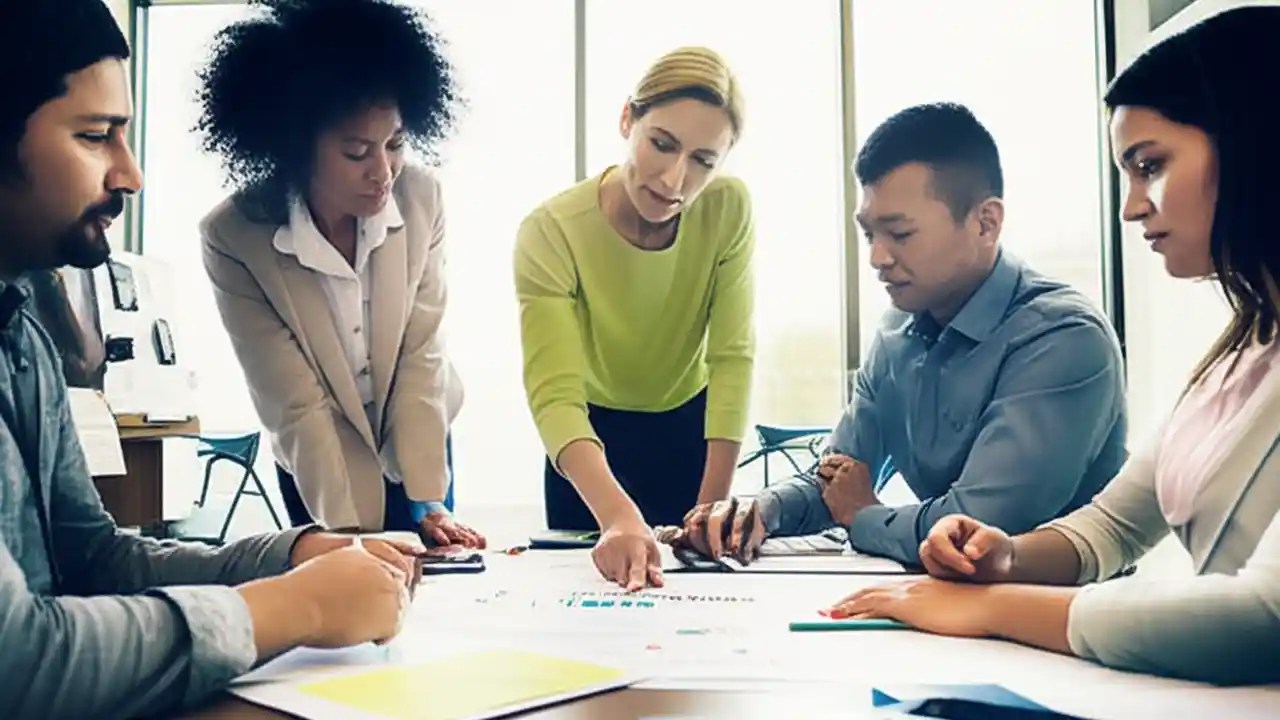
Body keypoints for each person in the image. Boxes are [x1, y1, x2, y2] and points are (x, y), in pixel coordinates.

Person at [827, 7, 1280, 686]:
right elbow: (1112, 528)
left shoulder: (1061, 333)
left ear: (1254, 141)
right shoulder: (1240, 349)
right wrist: (1003, 557)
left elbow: (1263, 619)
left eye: (1149, 165)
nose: (1131, 206)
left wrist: (988, 608)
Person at [0, 2, 423, 717]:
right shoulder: (234, 236)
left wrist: (290, 558)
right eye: (95, 136)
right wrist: (286, 611)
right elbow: (18, 664)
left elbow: (95, 560)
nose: (131, 175)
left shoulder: (24, 341)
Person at [677, 103, 1127, 567]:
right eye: (869, 233)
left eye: (900, 233)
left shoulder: (1062, 339)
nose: (877, 257)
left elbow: (975, 532)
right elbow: (835, 481)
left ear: (985, 222)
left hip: (1061, 620)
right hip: (947, 607)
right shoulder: (897, 329)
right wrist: (760, 510)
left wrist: (866, 515)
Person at [197, 0, 484, 547]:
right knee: (346, 598)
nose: (383, 171)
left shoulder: (422, 200)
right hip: (314, 452)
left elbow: (421, 353)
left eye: (395, 144)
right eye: (357, 152)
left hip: (417, 436)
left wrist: (429, 500)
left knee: (434, 584)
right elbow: (294, 400)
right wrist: (355, 539)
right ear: (295, 148)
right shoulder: (234, 238)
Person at [515, 46, 754, 589]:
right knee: (593, 616)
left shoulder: (728, 208)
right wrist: (616, 515)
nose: (674, 180)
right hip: (590, 445)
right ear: (628, 119)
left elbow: (732, 358)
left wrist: (710, 510)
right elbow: (555, 394)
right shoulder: (551, 229)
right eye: (661, 144)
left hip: (690, 434)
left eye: (703, 161)